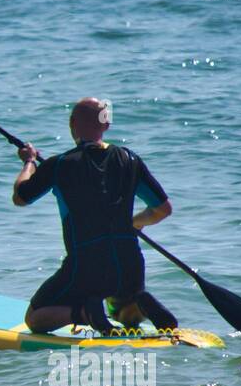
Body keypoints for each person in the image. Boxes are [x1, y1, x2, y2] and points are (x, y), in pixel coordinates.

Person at [12, 98, 178, 334]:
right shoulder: (130, 160)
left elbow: (20, 197)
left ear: (72, 123)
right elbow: (163, 210)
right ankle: (138, 305)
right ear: (106, 125)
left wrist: (29, 162)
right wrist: (133, 224)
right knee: (124, 316)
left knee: (35, 319)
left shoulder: (59, 164)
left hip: (86, 266)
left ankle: (84, 313)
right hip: (129, 264)